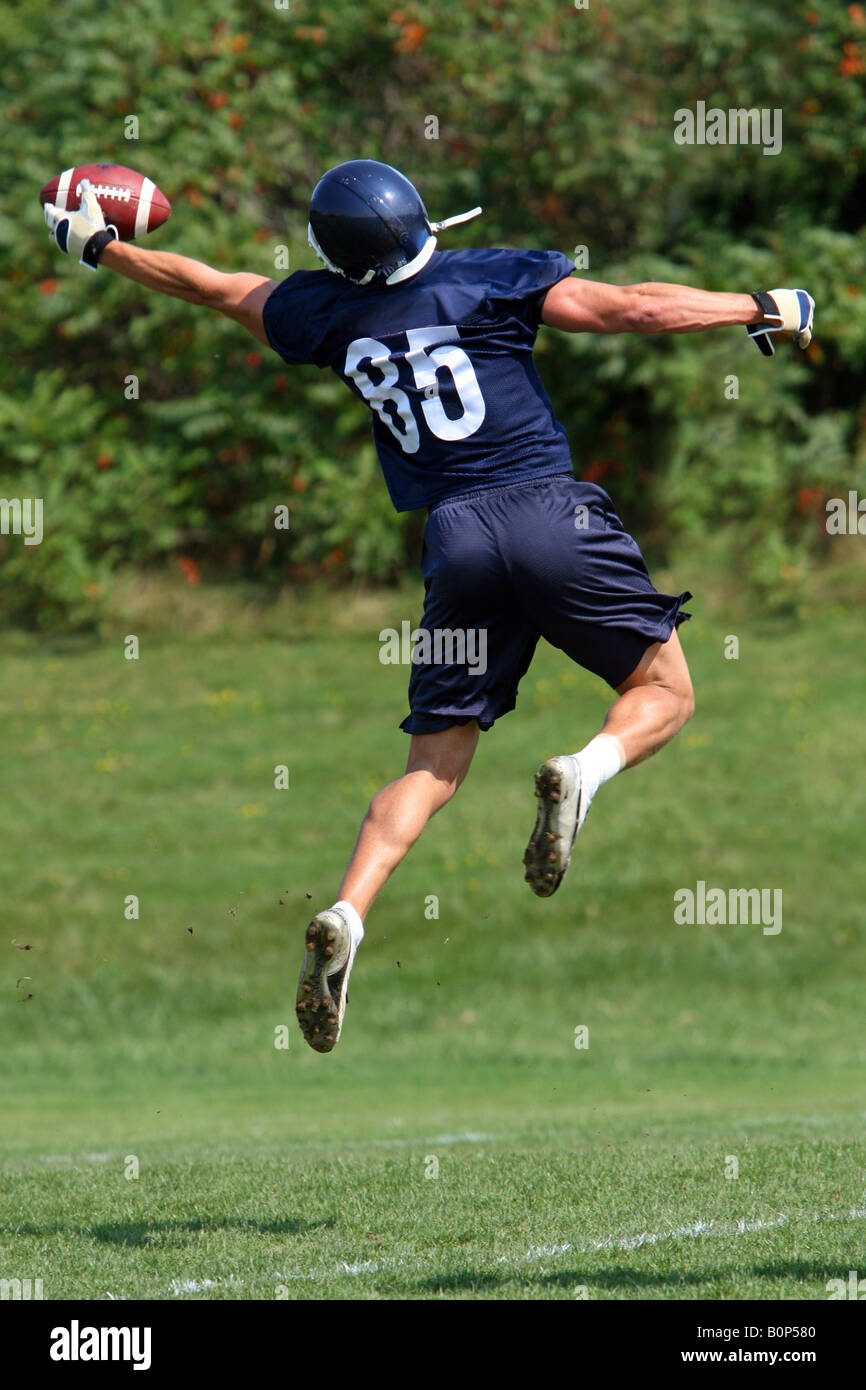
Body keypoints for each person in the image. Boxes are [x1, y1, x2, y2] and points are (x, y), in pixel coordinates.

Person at [44, 158, 815, 1054]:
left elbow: (215, 286)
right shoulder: (487, 277)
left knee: (437, 759)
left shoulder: (327, 313)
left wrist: (101, 247)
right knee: (667, 691)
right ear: (418, 217)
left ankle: (348, 913)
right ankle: (584, 772)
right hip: (547, 513)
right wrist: (760, 305)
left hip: (456, 545)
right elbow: (633, 307)